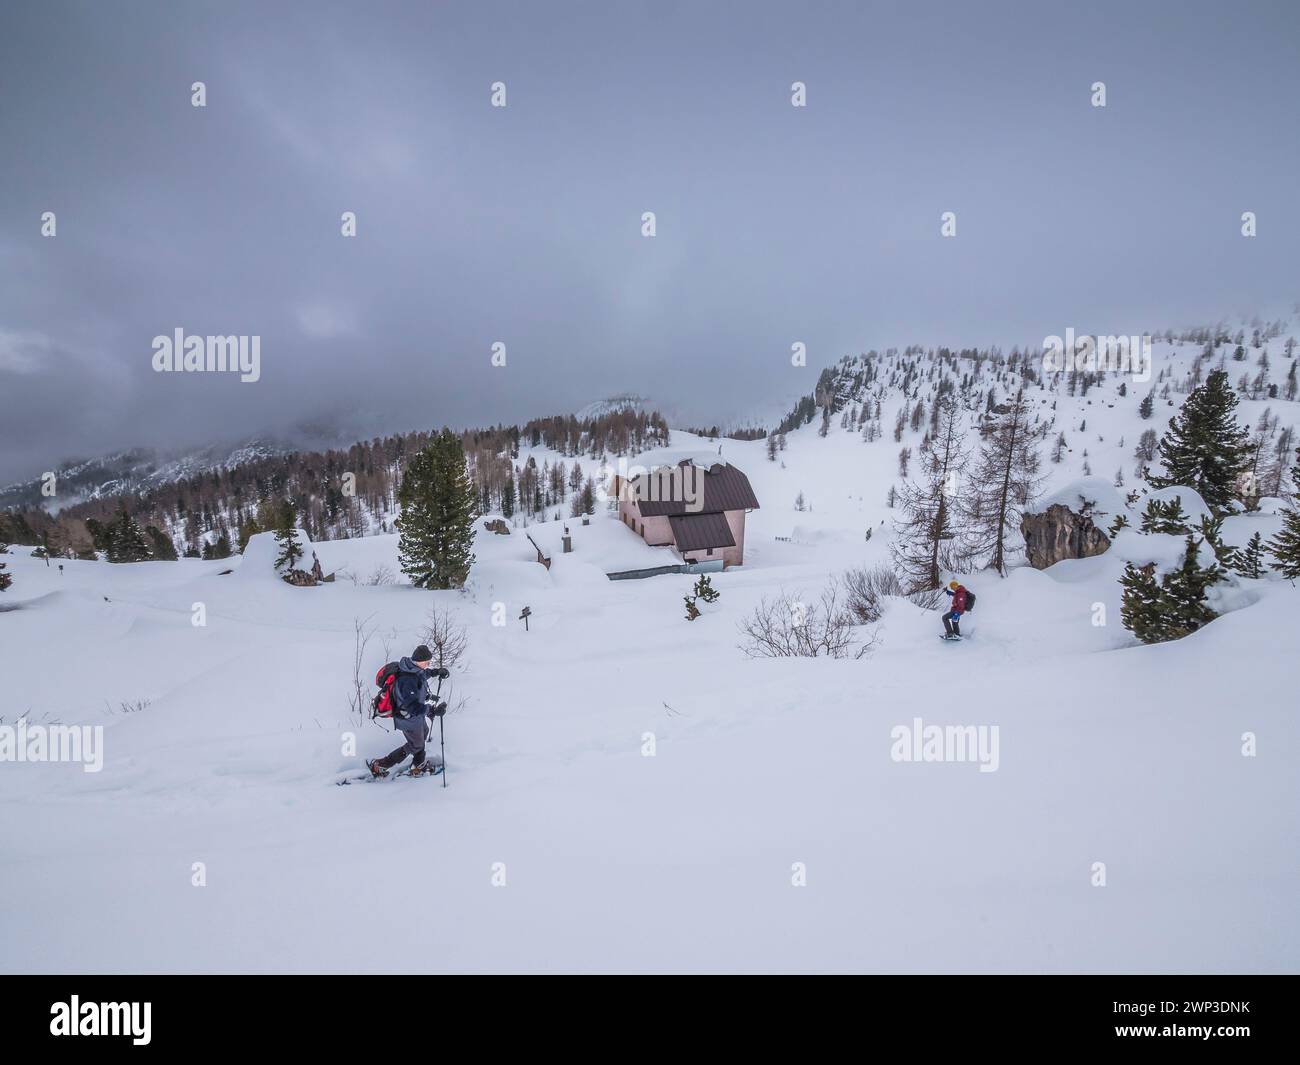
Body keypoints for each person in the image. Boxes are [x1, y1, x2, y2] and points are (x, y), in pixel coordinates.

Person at [367, 645, 449, 777]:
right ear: (420, 661)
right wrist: (432, 710)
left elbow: (423, 675)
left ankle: (417, 765)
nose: (428, 664)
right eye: (427, 662)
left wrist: (436, 672)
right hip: (408, 718)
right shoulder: (408, 680)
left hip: (415, 717)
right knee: (415, 745)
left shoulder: (413, 667)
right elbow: (412, 707)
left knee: (424, 732)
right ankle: (380, 765)